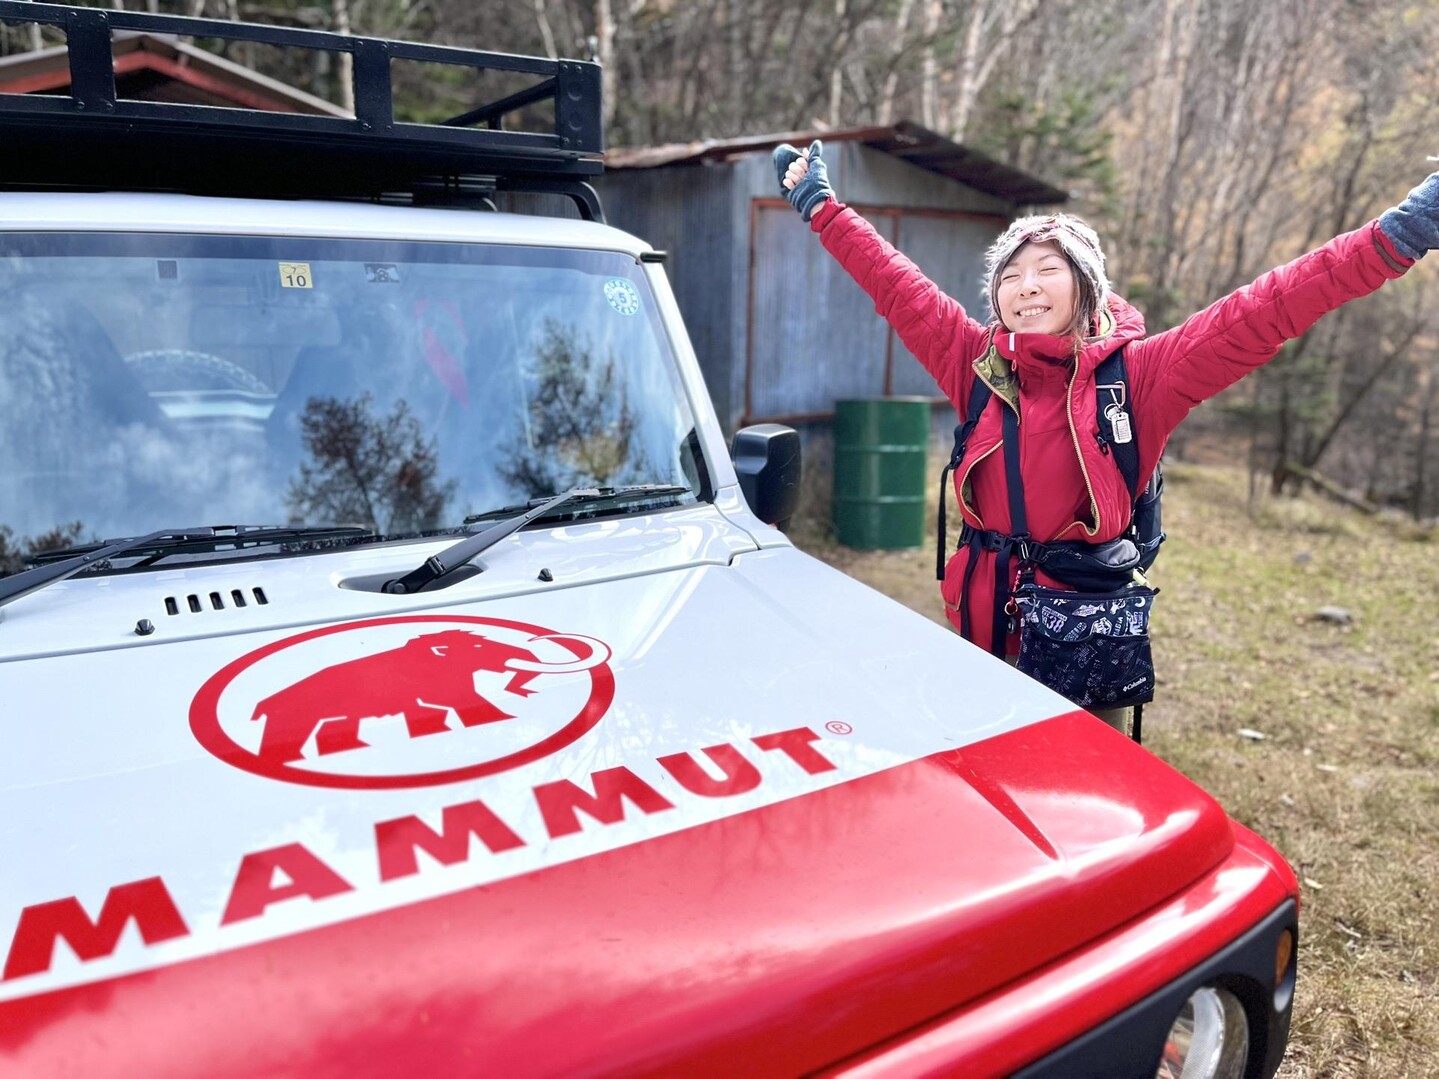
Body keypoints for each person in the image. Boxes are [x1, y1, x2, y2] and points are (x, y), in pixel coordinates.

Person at [774, 139, 1439, 732]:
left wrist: (1398, 234)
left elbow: (1264, 309)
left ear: (1085, 289)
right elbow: (896, 286)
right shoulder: (974, 362)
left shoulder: (1142, 376)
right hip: (980, 630)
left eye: (1047, 271)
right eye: (1010, 275)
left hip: (1081, 643)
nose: (1024, 287)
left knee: (1082, 804)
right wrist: (820, 206)